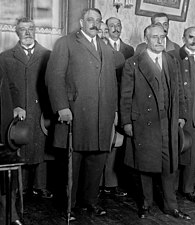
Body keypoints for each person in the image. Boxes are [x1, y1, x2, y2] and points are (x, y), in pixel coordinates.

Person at [45, 7, 124, 219]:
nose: (94, 24)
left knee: (97, 161)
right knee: (73, 162)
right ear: (81, 22)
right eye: (90, 20)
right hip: (76, 113)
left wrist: (115, 110)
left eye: (98, 21)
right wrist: (61, 106)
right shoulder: (66, 43)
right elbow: (54, 77)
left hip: (102, 115)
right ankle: (68, 205)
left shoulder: (106, 47)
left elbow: (116, 72)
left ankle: (90, 201)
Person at [120, 24, 190, 220]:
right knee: (145, 165)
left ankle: (171, 206)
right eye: (155, 37)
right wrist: (126, 122)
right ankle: (145, 203)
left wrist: (182, 115)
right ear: (146, 39)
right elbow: (125, 96)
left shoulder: (172, 61)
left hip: (168, 122)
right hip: (144, 122)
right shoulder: (133, 63)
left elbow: (179, 91)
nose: (160, 40)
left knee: (170, 165)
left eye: (163, 36)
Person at [0, 17, 53, 199]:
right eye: (23, 29)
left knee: (41, 147)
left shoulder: (48, 55)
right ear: (17, 32)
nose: (28, 32)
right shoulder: (5, 57)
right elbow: (2, 88)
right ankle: (19, 187)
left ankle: (40, 185)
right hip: (17, 112)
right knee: (19, 146)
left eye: (31, 28)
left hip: (40, 111)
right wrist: (13, 107)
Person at [169, 27, 195, 203]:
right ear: (183, 37)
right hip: (178, 116)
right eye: (191, 37)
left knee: (192, 156)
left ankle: (188, 189)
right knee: (175, 153)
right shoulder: (173, 56)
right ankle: (170, 190)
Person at [98, 17, 134, 197]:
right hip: (99, 104)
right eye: (107, 28)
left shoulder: (124, 53)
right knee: (99, 143)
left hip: (118, 105)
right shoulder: (94, 51)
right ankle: (95, 184)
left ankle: (111, 184)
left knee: (116, 144)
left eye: (117, 26)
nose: (113, 30)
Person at [0, 52, 23, 225]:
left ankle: (9, 216)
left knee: (5, 175)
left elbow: (11, 86)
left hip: (1, 128)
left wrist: (17, 105)